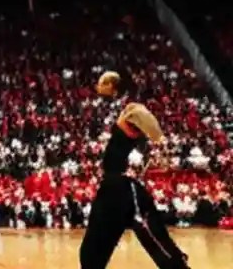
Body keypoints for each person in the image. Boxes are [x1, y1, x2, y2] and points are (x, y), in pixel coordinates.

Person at [79, 70, 190, 269]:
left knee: (154, 239)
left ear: (112, 86)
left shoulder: (132, 108)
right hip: (109, 186)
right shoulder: (116, 110)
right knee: (89, 252)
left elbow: (151, 126)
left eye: (101, 82)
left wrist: (160, 141)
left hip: (123, 187)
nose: (97, 86)